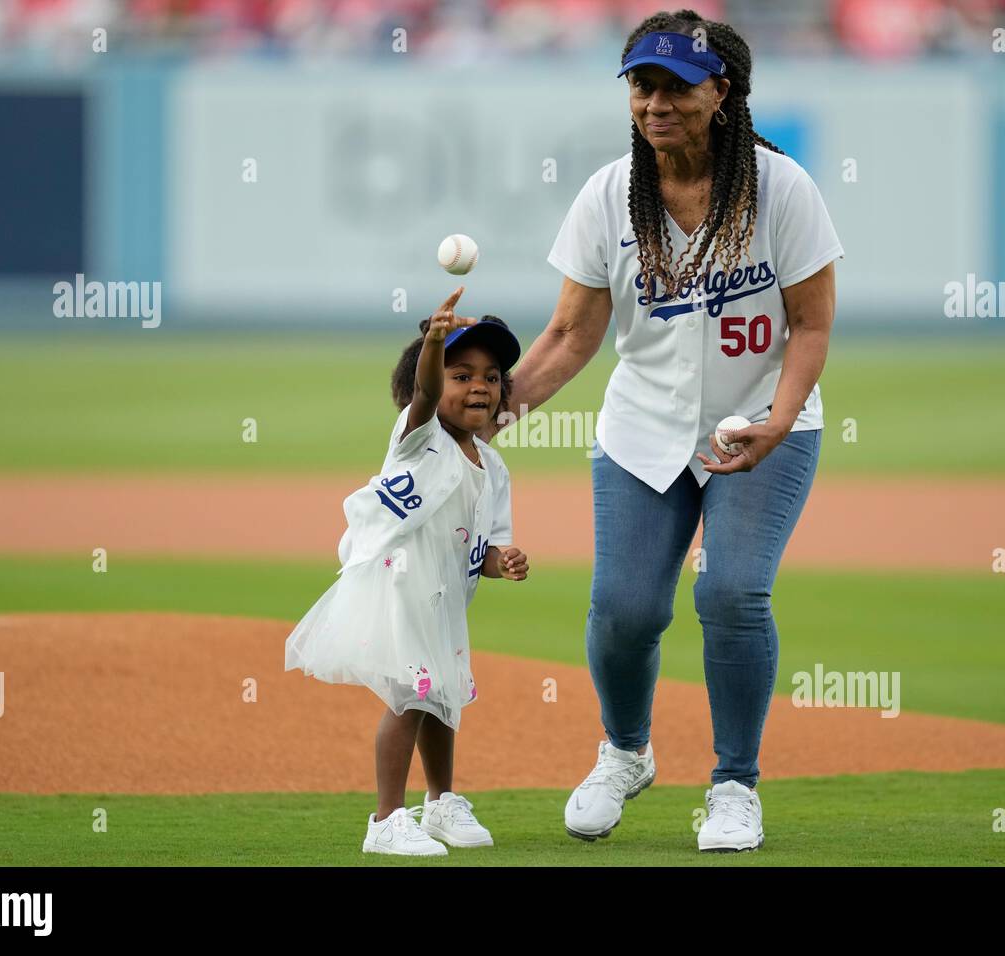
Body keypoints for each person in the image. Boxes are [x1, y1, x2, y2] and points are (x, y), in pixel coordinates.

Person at [494, 9, 843, 852]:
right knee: (623, 610)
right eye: (643, 87)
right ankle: (625, 752)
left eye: (677, 87)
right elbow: (572, 336)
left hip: (762, 425)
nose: (657, 104)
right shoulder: (610, 194)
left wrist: (781, 418)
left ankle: (734, 786)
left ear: (721, 92)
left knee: (729, 593)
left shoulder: (780, 188)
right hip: (642, 428)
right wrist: (487, 412)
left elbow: (812, 324)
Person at [285, 287, 530, 857]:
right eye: (461, 374)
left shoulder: (491, 466)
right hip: (398, 588)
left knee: (444, 698)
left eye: (492, 377)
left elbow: (486, 548)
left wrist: (505, 562)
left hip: (445, 599)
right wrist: (435, 341)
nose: (478, 387)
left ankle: (440, 802)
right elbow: (423, 390)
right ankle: (386, 818)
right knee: (411, 697)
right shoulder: (418, 439)